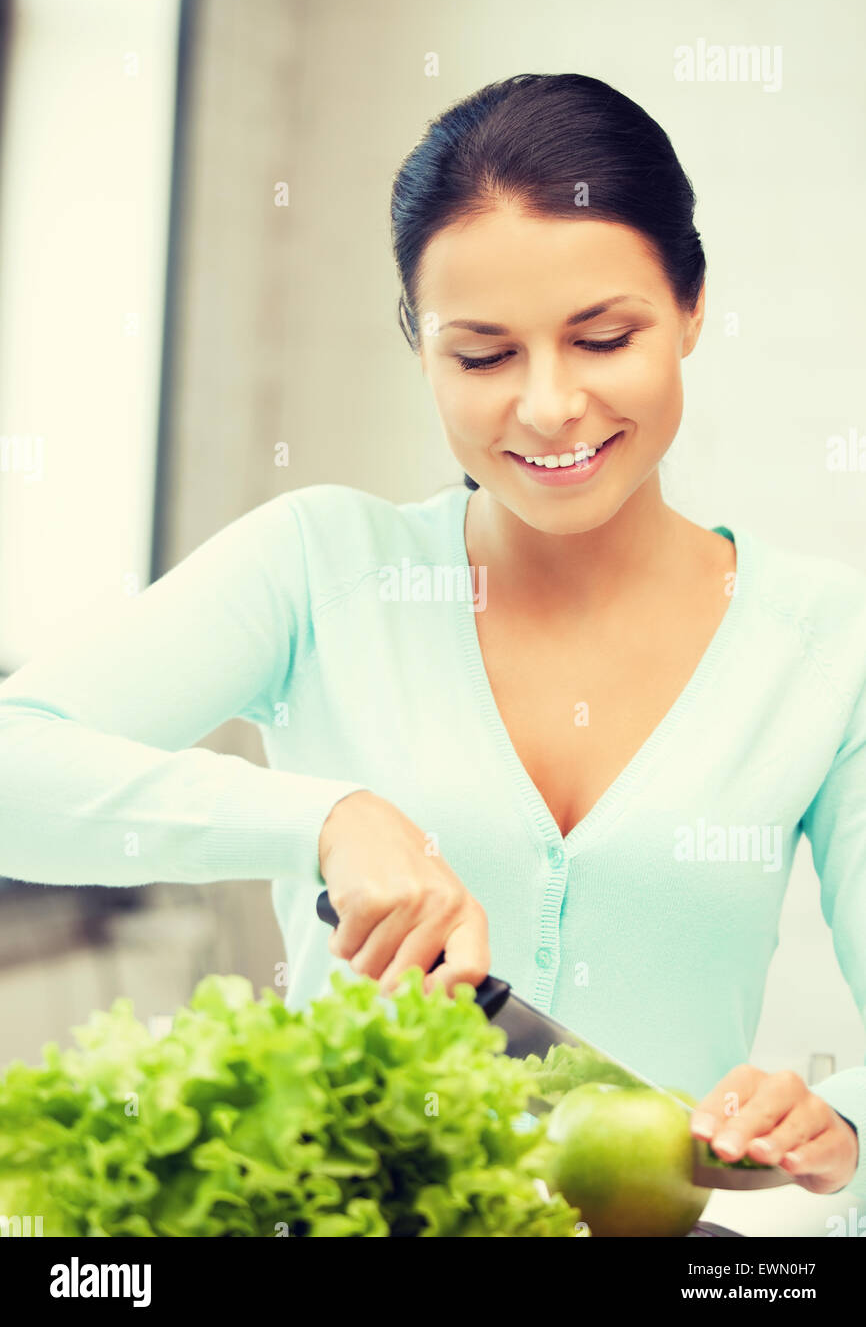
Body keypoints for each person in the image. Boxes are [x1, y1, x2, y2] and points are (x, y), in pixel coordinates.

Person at [1, 72, 863, 1201]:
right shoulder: (320, 567)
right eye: (483, 355)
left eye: (601, 336)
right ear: (417, 342)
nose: (548, 406)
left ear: (692, 306)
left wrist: (836, 1128)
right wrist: (322, 817)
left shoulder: (826, 642)